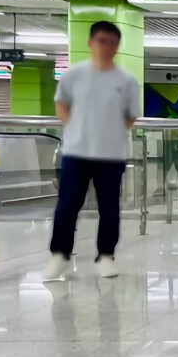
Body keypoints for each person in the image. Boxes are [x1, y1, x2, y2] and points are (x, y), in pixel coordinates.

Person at [42, 20, 141, 281]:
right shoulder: (73, 75)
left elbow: (131, 116)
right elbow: (61, 105)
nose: (106, 47)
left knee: (109, 208)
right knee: (67, 206)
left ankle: (106, 256)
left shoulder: (127, 81)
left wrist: (107, 131)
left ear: (118, 46)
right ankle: (60, 255)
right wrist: (78, 128)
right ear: (90, 43)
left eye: (112, 42)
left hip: (111, 154)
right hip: (76, 153)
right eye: (102, 41)